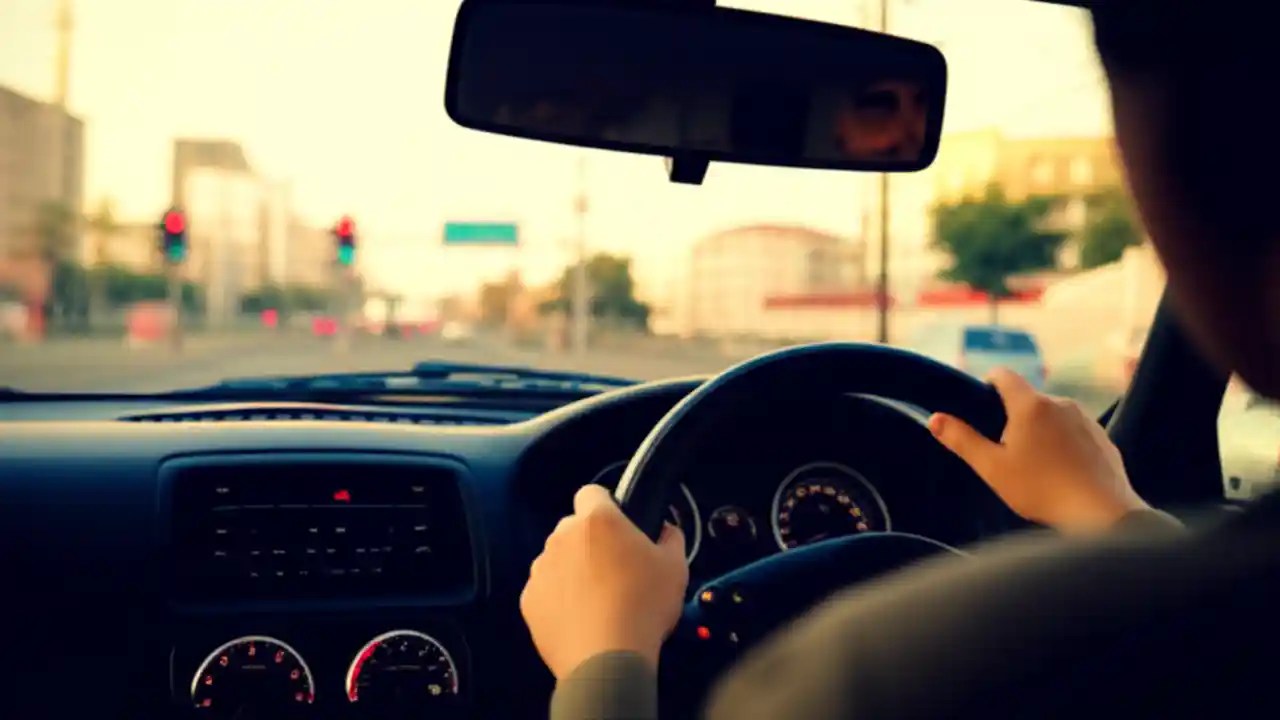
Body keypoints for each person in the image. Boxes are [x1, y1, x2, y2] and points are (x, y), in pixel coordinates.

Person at [522, 3, 1280, 718]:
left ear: (1198, 166)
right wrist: (1115, 516)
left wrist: (605, 657)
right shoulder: (1214, 641)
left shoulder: (876, 676)